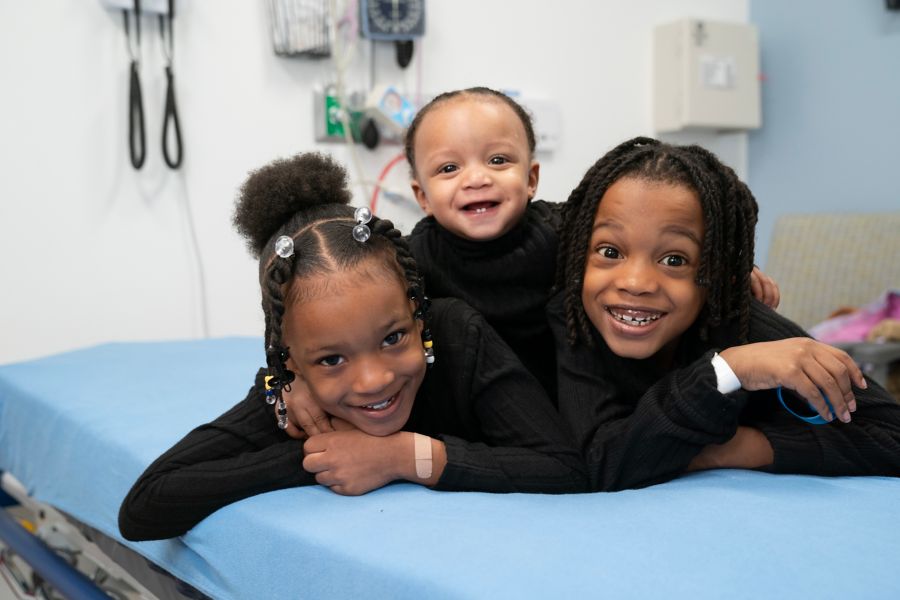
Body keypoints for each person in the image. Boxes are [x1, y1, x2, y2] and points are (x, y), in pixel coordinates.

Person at [118, 153, 586, 542]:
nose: (374, 379)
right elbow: (144, 509)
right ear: (290, 362)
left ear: (418, 313)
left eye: (393, 337)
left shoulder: (458, 336)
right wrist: (315, 457)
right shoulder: (288, 397)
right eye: (331, 359)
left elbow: (564, 467)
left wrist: (404, 457)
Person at [283, 86, 780, 438]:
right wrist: (287, 378)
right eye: (450, 168)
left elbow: (642, 249)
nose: (476, 178)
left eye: (498, 161)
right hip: (489, 410)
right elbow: (321, 314)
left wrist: (725, 269)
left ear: (532, 177)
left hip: (582, 400)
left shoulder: (570, 233)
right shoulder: (409, 258)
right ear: (422, 195)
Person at [550, 136, 900, 492]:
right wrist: (729, 370)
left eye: (675, 260)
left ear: (717, 277)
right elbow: (603, 463)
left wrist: (737, 448)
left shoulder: (741, 323)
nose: (636, 282)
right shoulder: (574, 318)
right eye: (610, 251)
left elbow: (892, 436)